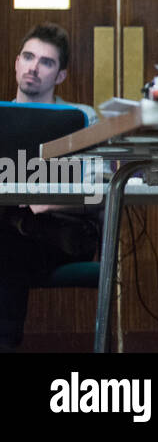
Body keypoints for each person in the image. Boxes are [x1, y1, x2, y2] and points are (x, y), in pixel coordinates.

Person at [1, 24, 100, 350]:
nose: (33, 66)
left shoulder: (81, 119)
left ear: (60, 75)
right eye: (28, 57)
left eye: (46, 62)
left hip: (61, 233)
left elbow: (99, 194)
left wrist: (52, 201)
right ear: (16, 63)